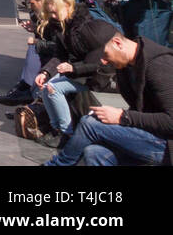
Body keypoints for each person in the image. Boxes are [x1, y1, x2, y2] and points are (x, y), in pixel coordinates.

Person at [45, 31, 173, 166]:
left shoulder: (159, 65)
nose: (103, 61)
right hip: (151, 134)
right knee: (94, 152)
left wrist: (123, 117)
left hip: (167, 146)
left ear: (117, 44)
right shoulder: (128, 65)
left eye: (106, 54)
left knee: (90, 124)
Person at [30, 0, 118, 148]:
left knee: (54, 89)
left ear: (68, 7)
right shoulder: (62, 26)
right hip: (81, 71)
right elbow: (60, 55)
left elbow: (99, 63)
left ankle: (66, 133)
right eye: (51, 14)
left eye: (55, 13)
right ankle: (57, 128)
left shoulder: (87, 28)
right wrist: (45, 72)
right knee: (46, 87)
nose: (53, 17)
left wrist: (72, 69)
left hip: (101, 76)